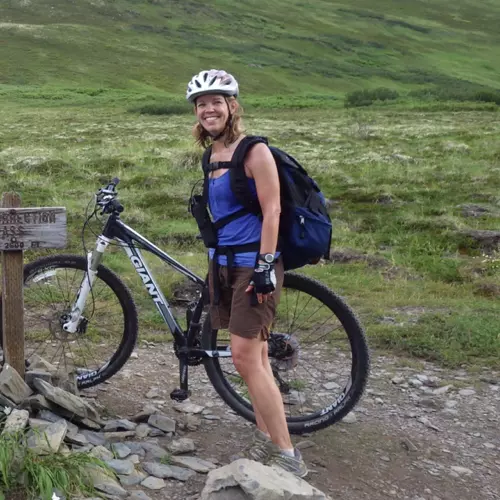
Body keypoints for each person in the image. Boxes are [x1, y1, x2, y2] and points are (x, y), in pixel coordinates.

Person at [186, 69, 308, 478]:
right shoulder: (211, 156)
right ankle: (265, 439)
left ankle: (289, 456)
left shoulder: (255, 152)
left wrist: (263, 267)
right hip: (223, 265)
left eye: (216, 102)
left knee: (244, 358)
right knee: (253, 358)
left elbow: (272, 211)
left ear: (232, 107)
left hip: (253, 264)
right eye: (202, 105)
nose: (208, 110)